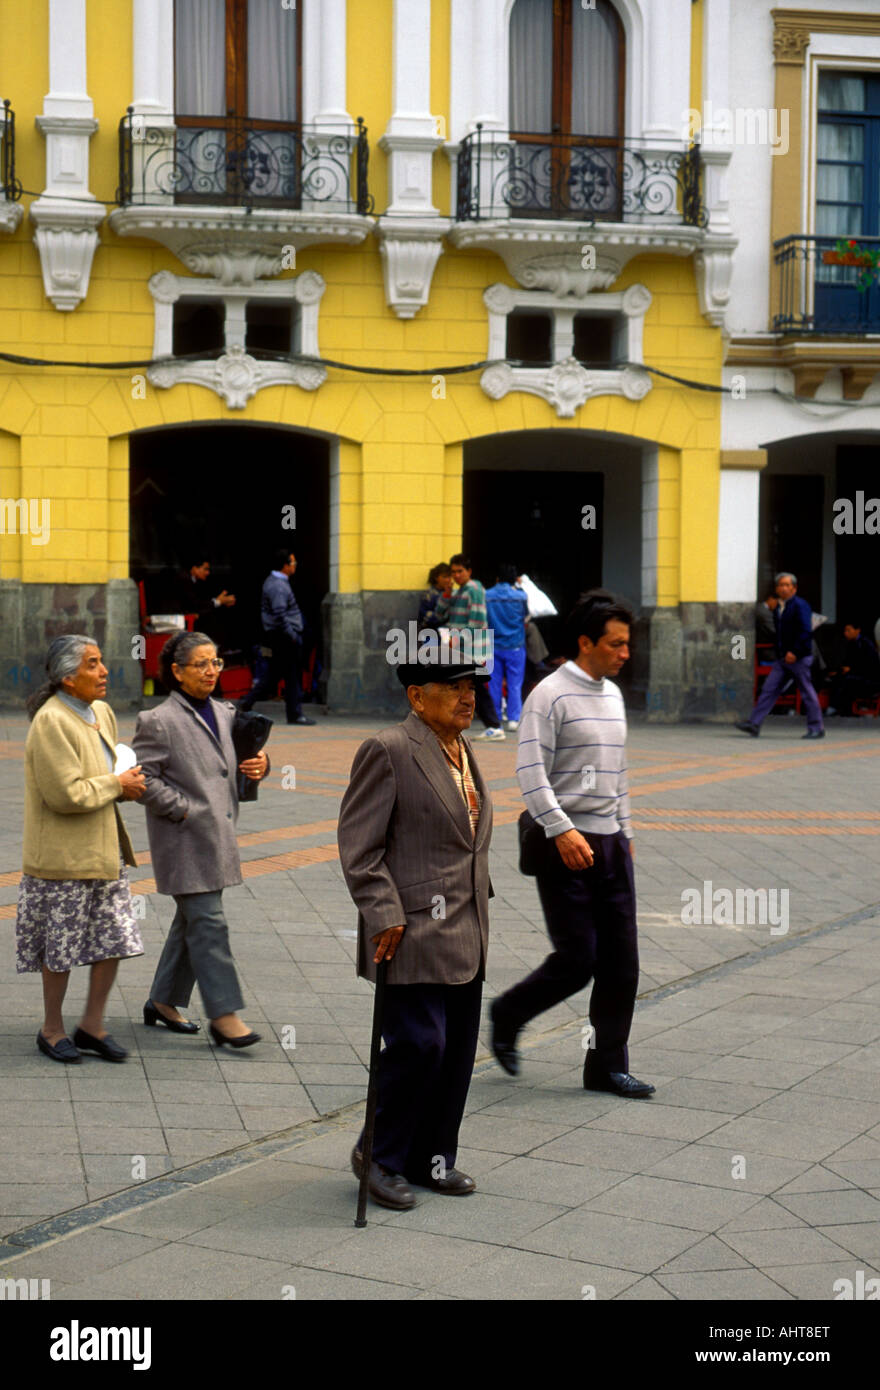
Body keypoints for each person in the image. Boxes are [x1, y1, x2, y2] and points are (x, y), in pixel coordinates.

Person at [337, 656, 494, 1210]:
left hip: (467, 927)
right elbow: (360, 847)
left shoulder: (463, 749)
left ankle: (433, 1159)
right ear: (415, 696)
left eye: (469, 686)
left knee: (455, 1051)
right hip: (408, 929)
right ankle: (378, 1155)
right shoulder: (389, 750)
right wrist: (384, 912)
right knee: (419, 1045)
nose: (466, 696)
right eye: (451, 687)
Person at [489, 591, 655, 1100]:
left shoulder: (613, 695)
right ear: (585, 642)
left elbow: (619, 772)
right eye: (615, 643)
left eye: (628, 643)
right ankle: (508, 1013)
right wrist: (561, 829)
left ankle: (606, 1066)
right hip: (563, 846)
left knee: (622, 965)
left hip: (610, 848)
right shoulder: (550, 695)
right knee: (578, 958)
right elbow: (529, 772)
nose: (625, 653)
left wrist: (624, 833)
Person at [132, 631, 269, 1047]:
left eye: (216, 663)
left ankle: (163, 1000)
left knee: (191, 921)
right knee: (209, 924)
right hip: (183, 841)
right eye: (201, 664)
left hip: (218, 839)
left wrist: (260, 765)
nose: (211, 671)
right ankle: (225, 1017)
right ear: (177, 671)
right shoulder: (158, 721)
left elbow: (239, 764)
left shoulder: (225, 713)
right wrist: (184, 809)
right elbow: (144, 780)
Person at [17, 635, 146, 1064]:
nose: (104, 670)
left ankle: (92, 1024)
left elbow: (107, 772)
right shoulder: (51, 721)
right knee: (61, 946)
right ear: (68, 679)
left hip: (103, 851)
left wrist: (125, 785)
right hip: (63, 858)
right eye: (93, 664)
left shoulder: (102, 713)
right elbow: (64, 794)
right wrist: (117, 785)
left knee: (111, 940)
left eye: (102, 661)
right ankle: (51, 1029)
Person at [737, 571, 825, 739]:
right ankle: (754, 724)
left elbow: (806, 631)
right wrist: (782, 652)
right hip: (782, 658)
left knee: (806, 691)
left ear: (794, 588)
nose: (784, 588)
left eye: (787, 585)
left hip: (798, 657)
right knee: (769, 690)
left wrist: (795, 652)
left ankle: (816, 728)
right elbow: (779, 633)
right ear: (777, 589)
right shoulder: (778, 607)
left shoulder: (800, 605)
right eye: (781, 585)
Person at [238, 549, 315, 726]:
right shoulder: (278, 586)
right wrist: (293, 634)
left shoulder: (277, 583)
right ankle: (294, 714)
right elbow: (280, 614)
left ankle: (248, 702)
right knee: (290, 674)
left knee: (278, 673)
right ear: (285, 565)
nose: (295, 566)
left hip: (281, 636)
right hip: (283, 637)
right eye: (293, 563)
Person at [433, 553, 504, 740]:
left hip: (474, 651)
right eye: (453, 572)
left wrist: (454, 639)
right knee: (468, 687)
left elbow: (477, 624)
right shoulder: (458, 592)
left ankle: (494, 726)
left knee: (476, 688)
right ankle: (488, 725)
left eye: (460, 571)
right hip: (461, 650)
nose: (456, 575)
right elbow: (439, 614)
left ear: (469, 571)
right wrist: (447, 593)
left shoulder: (474, 589)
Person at [485, 563, 529, 730]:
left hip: (493, 645)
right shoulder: (521, 596)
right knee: (515, 683)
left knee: (494, 683)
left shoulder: (486, 595)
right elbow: (525, 616)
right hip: (515, 645)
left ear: (497, 579)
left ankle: (495, 718)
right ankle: (513, 718)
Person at [826, 622, 880, 716]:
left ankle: (836, 708)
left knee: (847, 681)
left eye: (848, 630)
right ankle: (835, 708)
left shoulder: (866, 644)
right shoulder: (851, 644)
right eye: (845, 630)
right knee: (835, 678)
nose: (845, 633)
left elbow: (869, 666)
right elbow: (847, 663)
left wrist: (851, 669)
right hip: (856, 676)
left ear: (857, 630)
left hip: (870, 680)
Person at [418, 563, 453, 633]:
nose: (447, 580)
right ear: (436, 578)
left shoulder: (452, 593)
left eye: (449, 577)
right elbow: (426, 617)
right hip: (430, 632)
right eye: (444, 577)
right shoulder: (429, 595)